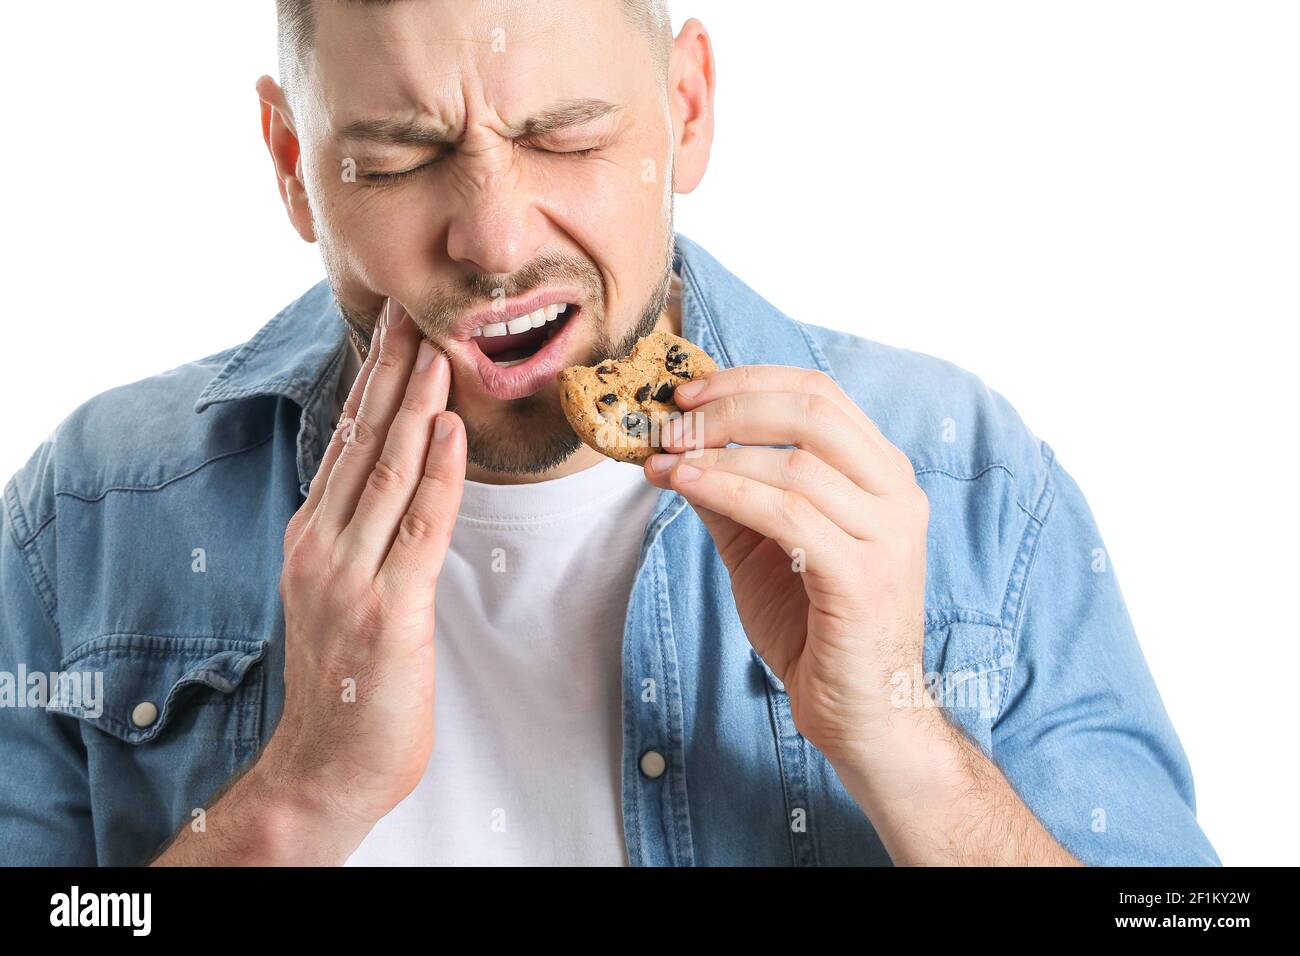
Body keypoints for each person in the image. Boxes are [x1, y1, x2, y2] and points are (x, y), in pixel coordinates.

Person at [0, 0, 1218, 866]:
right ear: (291, 163)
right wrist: (294, 798)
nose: (491, 236)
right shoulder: (94, 513)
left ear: (684, 110)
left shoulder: (970, 485)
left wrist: (902, 739)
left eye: (564, 138)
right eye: (401, 155)